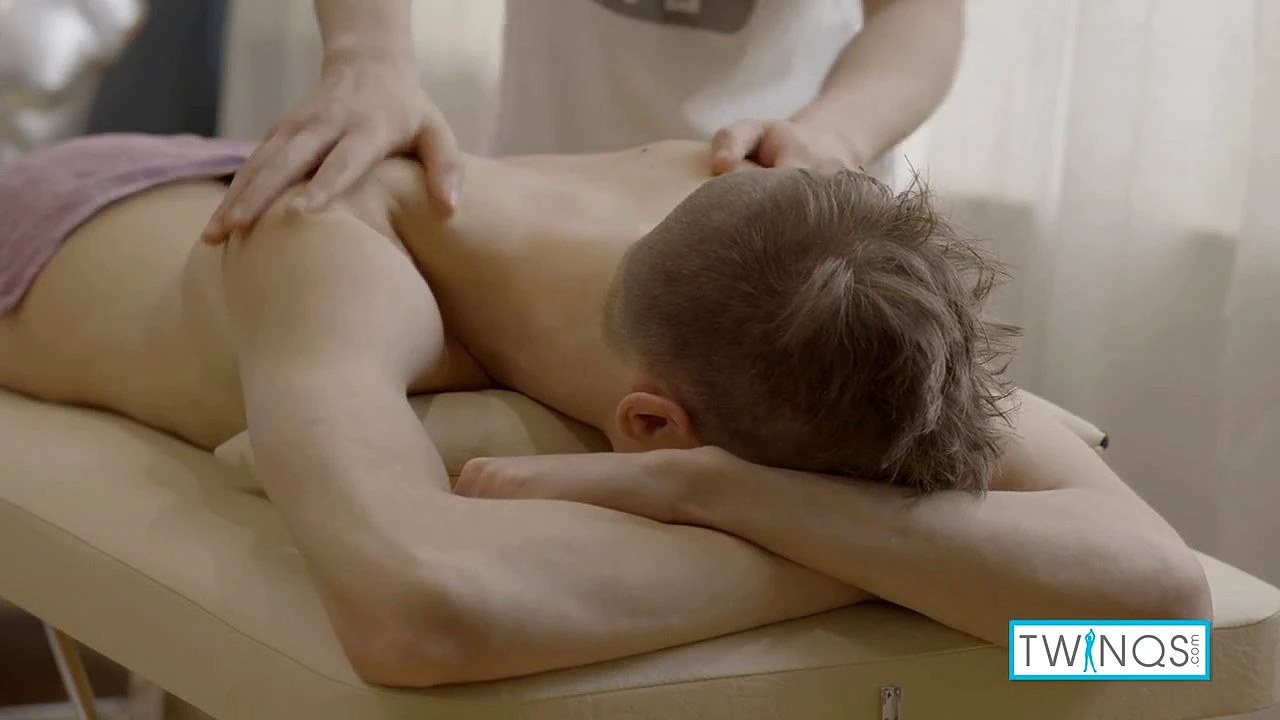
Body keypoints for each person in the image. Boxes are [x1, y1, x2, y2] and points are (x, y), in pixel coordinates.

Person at [0, 134, 1210, 688]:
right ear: (646, 426)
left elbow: (1166, 631)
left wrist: (722, 495)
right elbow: (416, 623)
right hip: (61, 227)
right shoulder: (332, 252)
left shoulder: (798, 246)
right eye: (682, 465)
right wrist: (864, 547)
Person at [199, 0, 965, 243]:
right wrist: (367, 60)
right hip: (545, 208)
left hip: (792, 209)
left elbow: (921, 10)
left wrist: (835, 135)